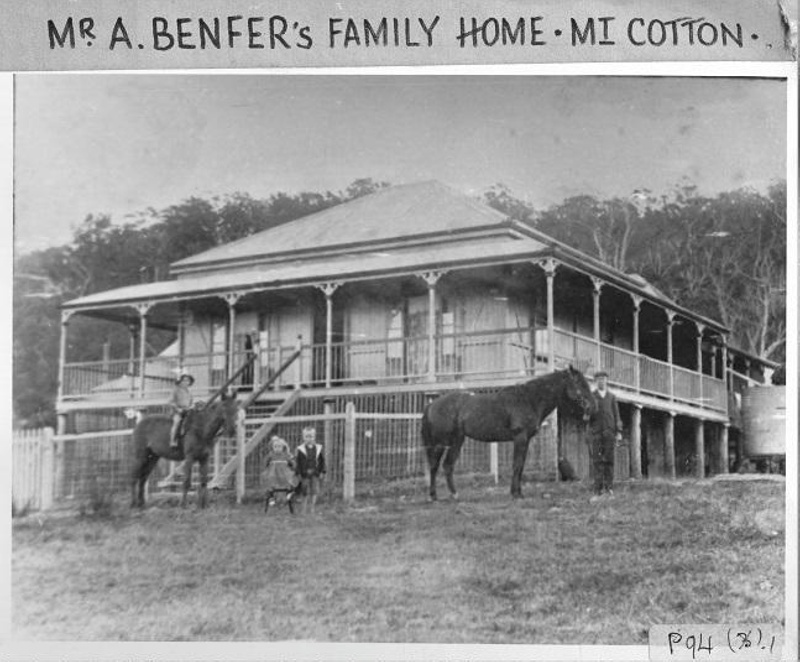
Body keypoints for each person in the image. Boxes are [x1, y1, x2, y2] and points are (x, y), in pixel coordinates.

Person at [588, 370, 623, 499]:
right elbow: (587, 412)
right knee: (597, 462)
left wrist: (618, 431)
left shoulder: (612, 397)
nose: (601, 381)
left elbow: (617, 415)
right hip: (596, 433)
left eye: (603, 379)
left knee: (609, 461)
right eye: (598, 379)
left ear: (606, 381)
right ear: (595, 382)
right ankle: (597, 490)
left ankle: (609, 489)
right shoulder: (591, 396)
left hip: (609, 433)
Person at [262, 435, 297, 512]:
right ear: (272, 447)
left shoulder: (286, 455)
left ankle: (290, 493)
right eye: (275, 446)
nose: (277, 448)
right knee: (269, 478)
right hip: (274, 474)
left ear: (283, 447)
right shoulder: (271, 455)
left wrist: (292, 463)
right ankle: (271, 496)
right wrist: (266, 466)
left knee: (291, 478)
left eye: (279, 446)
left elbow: (293, 463)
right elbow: (265, 463)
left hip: (284, 474)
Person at [295, 426, 326, 514]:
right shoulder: (300, 449)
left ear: (314, 437)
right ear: (303, 437)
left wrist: (322, 471)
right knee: (304, 491)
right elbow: (298, 462)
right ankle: (303, 508)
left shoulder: (318, 448)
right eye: (307, 436)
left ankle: (312, 507)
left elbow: (322, 461)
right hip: (305, 474)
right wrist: (298, 473)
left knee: (314, 490)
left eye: (311, 436)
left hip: (315, 474)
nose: (309, 438)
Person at [169, 373, 194, 447]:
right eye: (184, 380)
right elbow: (170, 402)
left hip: (187, 411)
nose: (186, 382)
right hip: (178, 412)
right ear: (180, 381)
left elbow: (191, 403)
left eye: (188, 381)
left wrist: (192, 406)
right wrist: (178, 409)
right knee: (177, 422)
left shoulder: (189, 392)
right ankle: (172, 440)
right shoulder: (175, 390)